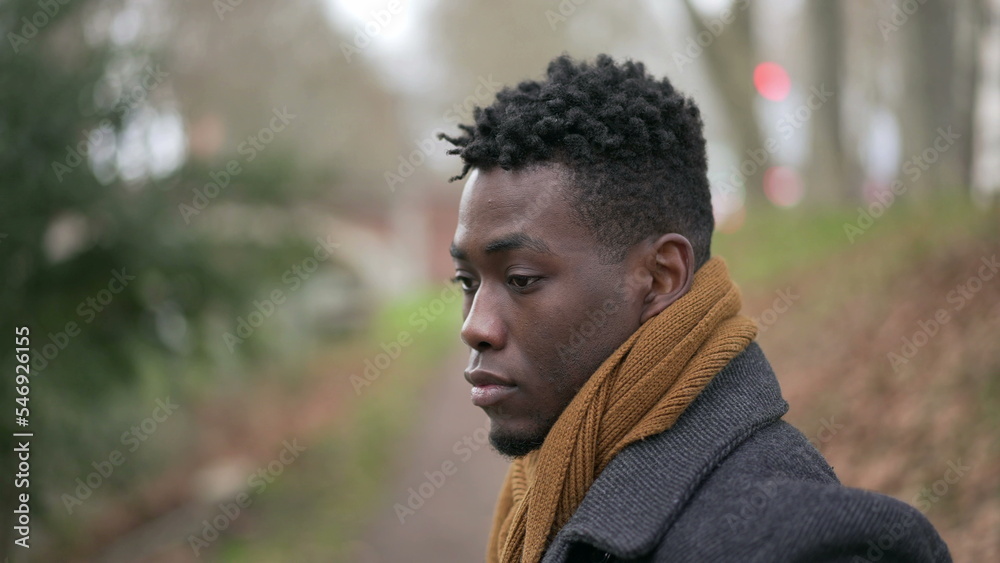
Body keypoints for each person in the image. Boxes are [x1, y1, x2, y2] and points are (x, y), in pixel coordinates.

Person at [440, 54, 951, 563]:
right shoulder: (547, 487)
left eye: (521, 279)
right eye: (467, 280)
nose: (475, 327)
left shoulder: (804, 546)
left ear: (661, 276)